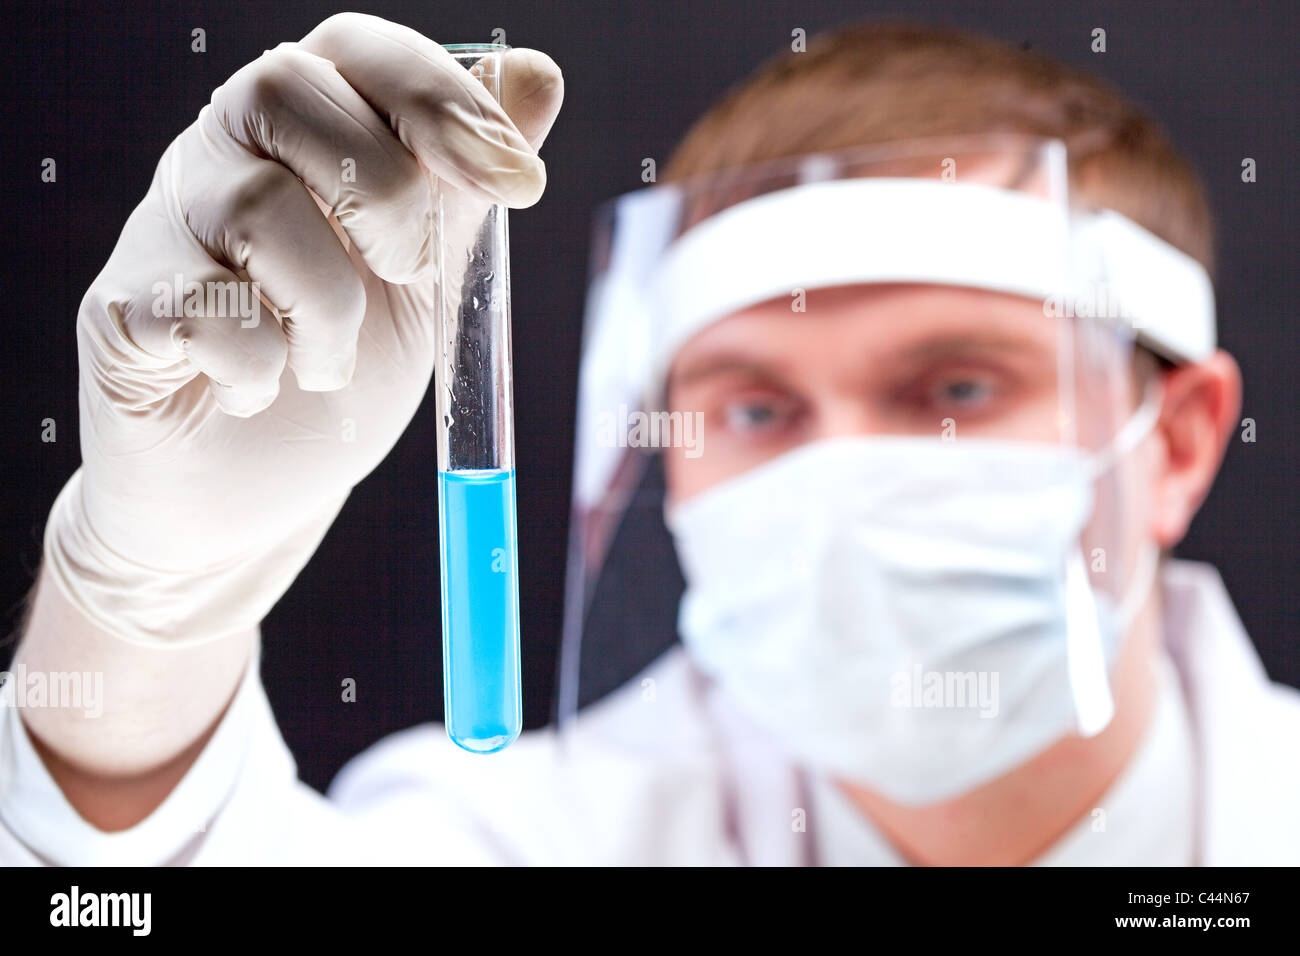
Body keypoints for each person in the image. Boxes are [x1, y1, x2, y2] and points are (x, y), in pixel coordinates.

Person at [2, 14, 1295, 866]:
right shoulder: (512, 832)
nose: (833, 474)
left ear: (1177, 441)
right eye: (751, 406)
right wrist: (144, 603)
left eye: (954, 386)